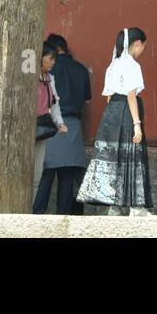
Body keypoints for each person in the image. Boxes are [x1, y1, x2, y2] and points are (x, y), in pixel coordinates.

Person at [78, 27, 152, 216]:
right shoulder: (133, 66)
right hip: (127, 113)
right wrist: (137, 124)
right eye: (143, 46)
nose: (142, 50)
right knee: (132, 156)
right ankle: (136, 208)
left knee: (114, 158)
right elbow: (131, 95)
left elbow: (109, 97)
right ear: (137, 44)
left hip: (111, 114)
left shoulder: (112, 65)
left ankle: (115, 206)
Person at [34, 33, 91, 215]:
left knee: (45, 175)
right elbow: (87, 101)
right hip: (73, 127)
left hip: (49, 126)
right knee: (67, 176)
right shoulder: (81, 69)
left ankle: (37, 213)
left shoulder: (48, 70)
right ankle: (63, 217)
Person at [33, 43, 68, 196]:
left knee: (37, 173)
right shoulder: (29, 77)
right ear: (40, 58)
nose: (53, 62)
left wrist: (60, 123)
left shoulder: (50, 79)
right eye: (50, 58)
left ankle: (30, 205)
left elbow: (54, 104)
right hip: (25, 129)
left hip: (41, 128)